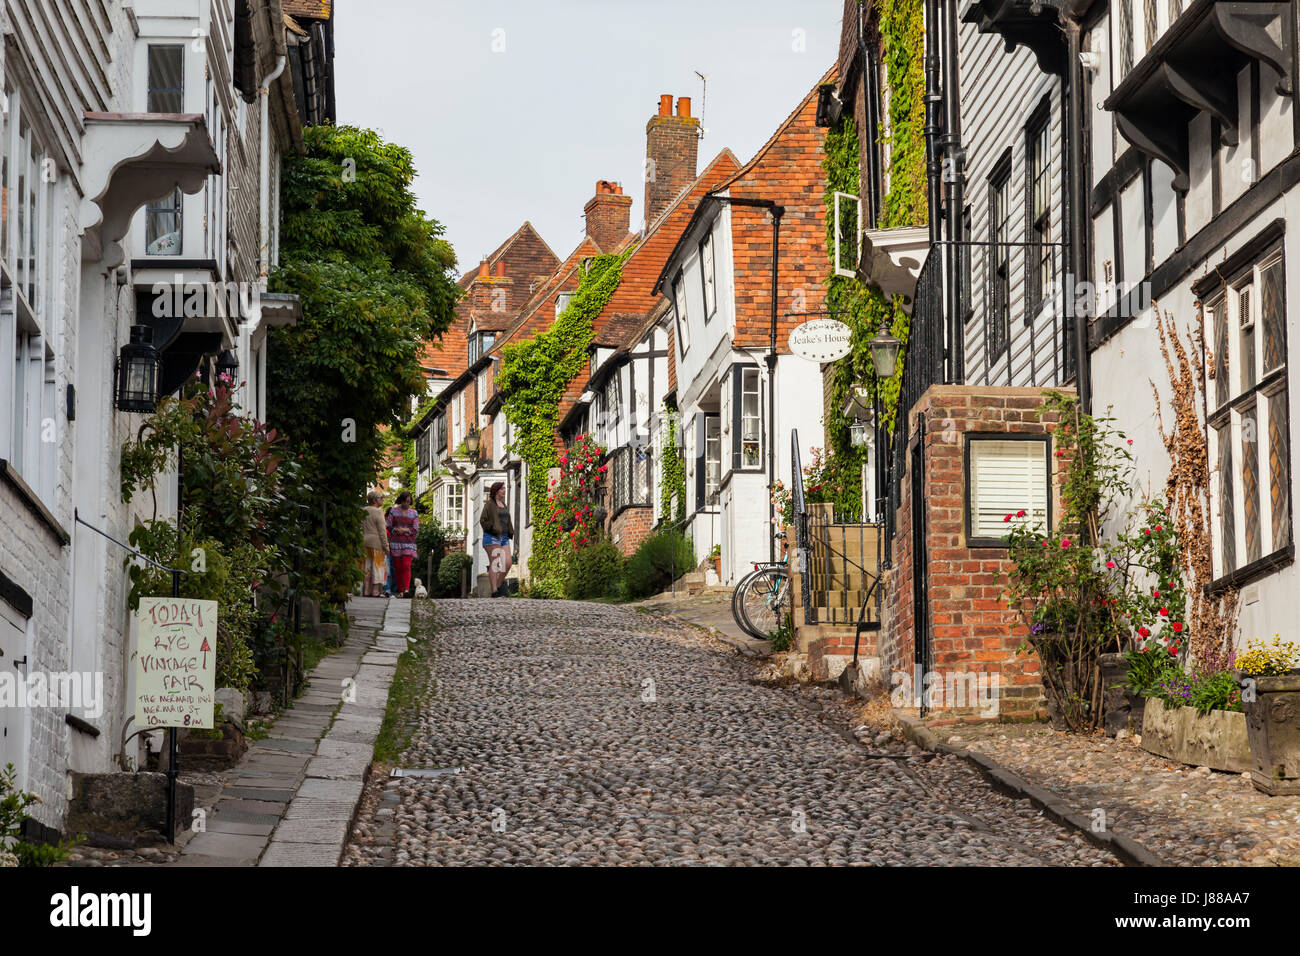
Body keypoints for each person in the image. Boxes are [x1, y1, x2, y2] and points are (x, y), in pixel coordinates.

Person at [480, 481, 514, 598]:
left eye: (505, 488)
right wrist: (493, 529)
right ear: (496, 491)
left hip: (504, 537)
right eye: (502, 489)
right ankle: (494, 591)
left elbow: (507, 520)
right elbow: (483, 520)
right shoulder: (490, 504)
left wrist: (510, 531)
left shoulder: (503, 505)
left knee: (508, 563)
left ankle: (498, 586)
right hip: (492, 537)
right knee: (495, 563)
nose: (504, 490)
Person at [386, 492, 419, 598]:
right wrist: (396, 530)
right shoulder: (393, 511)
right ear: (401, 501)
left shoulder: (414, 513)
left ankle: (406, 589)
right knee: (398, 567)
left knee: (406, 566)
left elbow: (415, 529)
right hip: (395, 542)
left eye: (408, 502)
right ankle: (400, 590)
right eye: (404, 501)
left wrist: (405, 530)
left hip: (409, 543)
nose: (406, 504)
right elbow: (388, 525)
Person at [362, 490, 390, 598]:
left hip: (364, 541)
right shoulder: (379, 512)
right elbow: (382, 531)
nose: (382, 499)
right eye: (381, 498)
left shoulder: (364, 510)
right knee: (377, 567)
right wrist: (386, 546)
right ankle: (375, 591)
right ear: (375, 500)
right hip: (376, 542)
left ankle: (366, 590)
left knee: (367, 567)